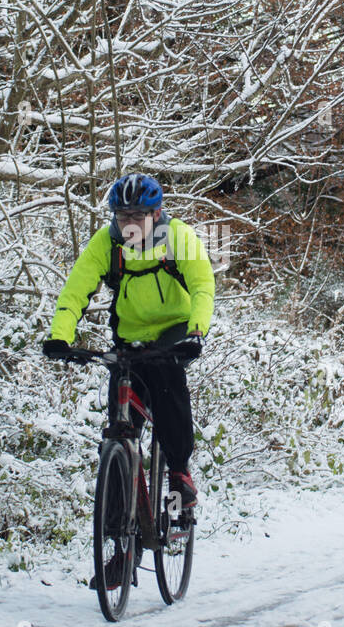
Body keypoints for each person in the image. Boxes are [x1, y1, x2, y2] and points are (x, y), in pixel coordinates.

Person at [41, 174, 214, 588]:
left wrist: (196, 331)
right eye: (122, 215)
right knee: (120, 431)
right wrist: (61, 335)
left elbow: (203, 286)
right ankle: (123, 548)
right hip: (129, 338)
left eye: (137, 214)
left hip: (173, 332)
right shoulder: (107, 243)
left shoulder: (180, 239)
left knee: (168, 388)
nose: (129, 222)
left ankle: (178, 474)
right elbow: (75, 290)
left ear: (157, 213)